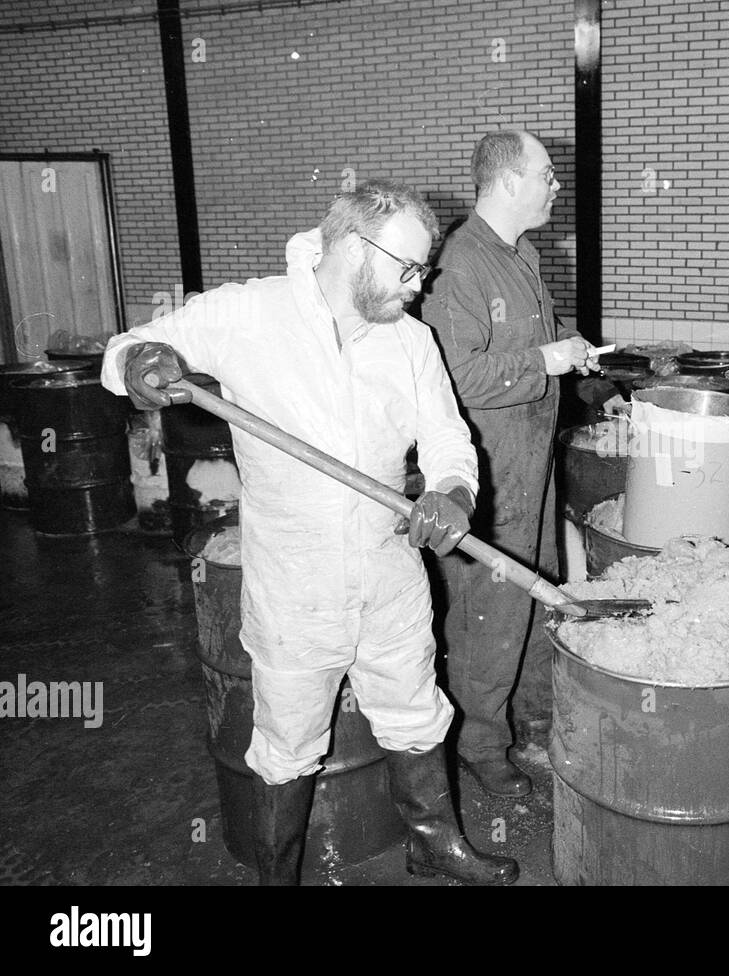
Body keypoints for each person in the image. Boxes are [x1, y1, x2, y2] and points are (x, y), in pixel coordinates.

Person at [100, 180, 519, 886]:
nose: (418, 287)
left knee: (416, 714)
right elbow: (129, 348)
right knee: (286, 744)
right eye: (408, 268)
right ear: (356, 246)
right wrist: (141, 365)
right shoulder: (252, 313)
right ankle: (277, 876)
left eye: (424, 270)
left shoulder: (410, 342)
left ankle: (432, 845)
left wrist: (453, 490)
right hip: (295, 588)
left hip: (389, 574)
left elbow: (450, 439)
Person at [423, 131, 598, 798]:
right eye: (546, 174)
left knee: (537, 590)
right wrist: (543, 363)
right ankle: (479, 743)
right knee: (490, 609)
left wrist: (568, 348)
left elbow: (535, 344)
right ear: (505, 183)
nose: (556, 186)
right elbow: (455, 378)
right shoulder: (460, 265)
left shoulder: (520, 255)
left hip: (533, 464)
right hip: (489, 473)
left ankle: (531, 726)